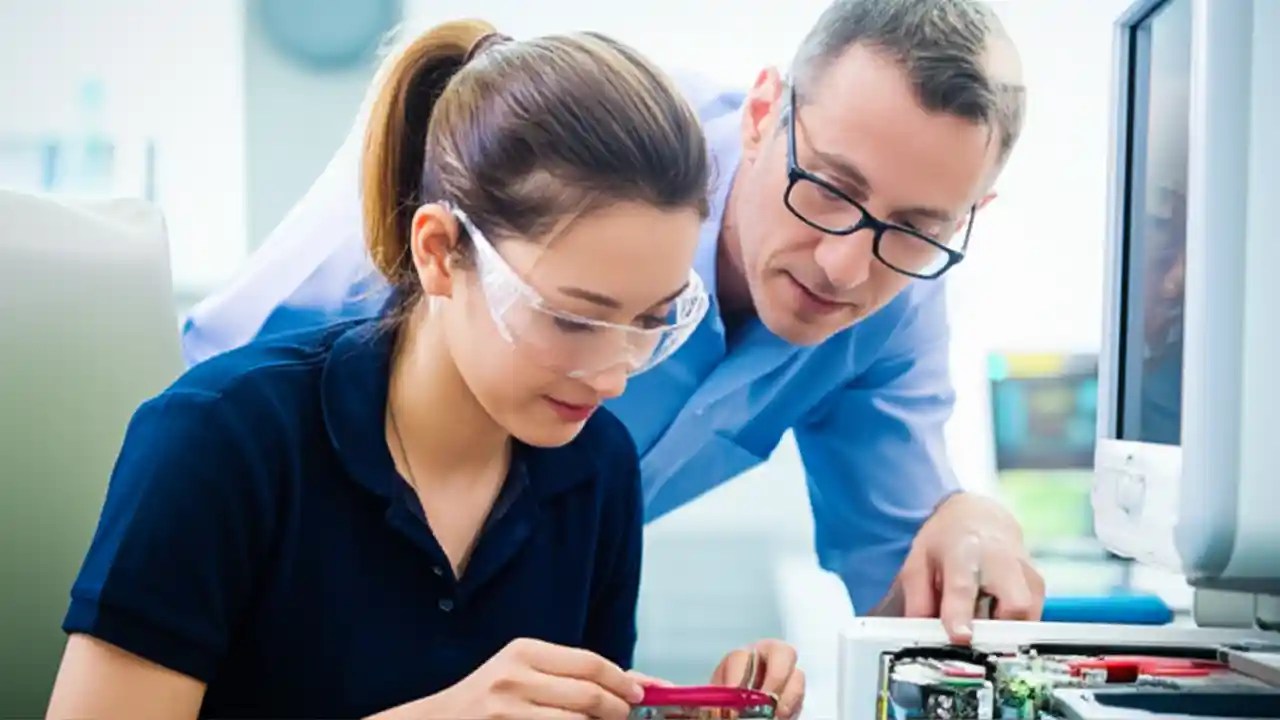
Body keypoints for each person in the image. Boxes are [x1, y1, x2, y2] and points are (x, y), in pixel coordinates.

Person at [181, 0, 1045, 644]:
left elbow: (905, 603)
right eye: (827, 188)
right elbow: (220, 410)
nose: (844, 266)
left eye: (919, 228)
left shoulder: (895, 302)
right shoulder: (555, 154)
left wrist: (973, 524)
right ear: (761, 115)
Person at [46, 21, 805, 720]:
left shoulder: (595, 469)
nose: (613, 381)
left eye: (649, 323)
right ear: (440, 253)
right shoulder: (221, 440)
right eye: (573, 318)